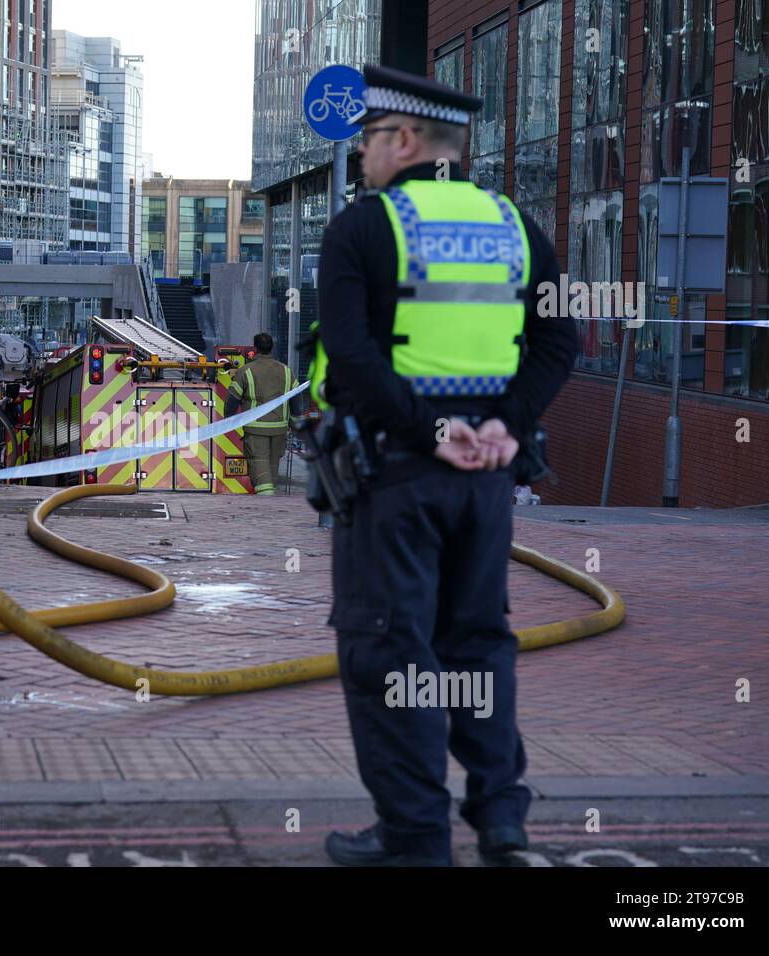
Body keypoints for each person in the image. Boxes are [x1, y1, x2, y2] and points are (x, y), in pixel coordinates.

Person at [315, 65, 579, 865]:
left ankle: (415, 836)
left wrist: (430, 431)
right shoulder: (515, 227)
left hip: (396, 478)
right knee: (477, 643)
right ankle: (501, 820)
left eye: (369, 139)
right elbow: (559, 340)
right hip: (488, 484)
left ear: (403, 140)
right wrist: (504, 425)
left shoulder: (363, 229)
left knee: (390, 650)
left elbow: (352, 358)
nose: (363, 157)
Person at [224, 333, 303, 495]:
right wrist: (295, 423)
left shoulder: (246, 371)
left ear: (255, 348)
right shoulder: (286, 371)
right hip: (279, 430)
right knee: (272, 471)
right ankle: (271, 501)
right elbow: (296, 400)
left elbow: (232, 400)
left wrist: (228, 421)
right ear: (271, 348)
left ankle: (265, 504)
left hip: (256, 430)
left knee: (261, 473)